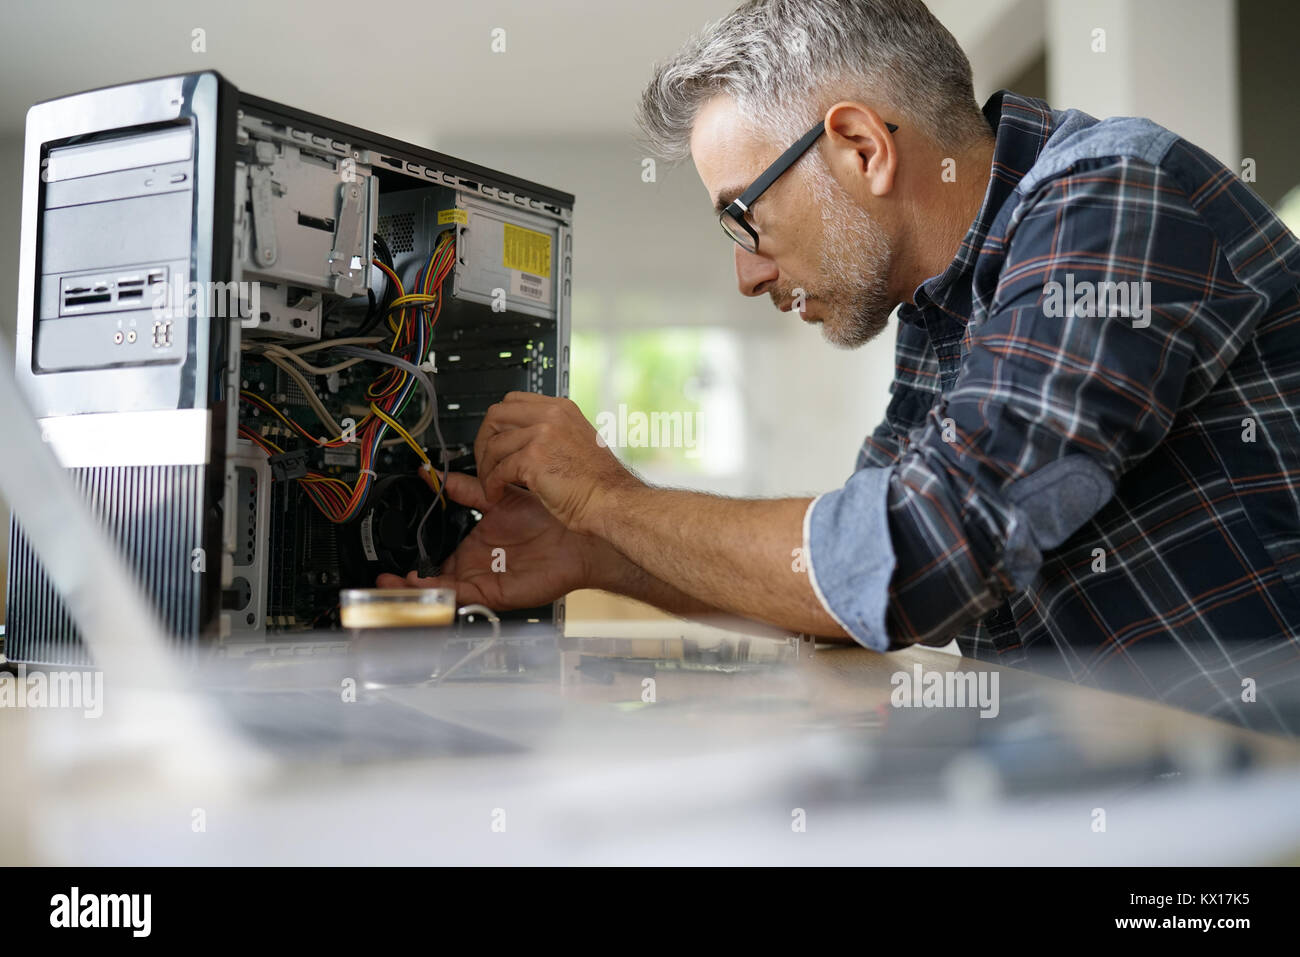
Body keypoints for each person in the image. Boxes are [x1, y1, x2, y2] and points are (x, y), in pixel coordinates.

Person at [382, 0, 1300, 733]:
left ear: (861, 147)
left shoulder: (1112, 198)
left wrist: (609, 498)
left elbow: (921, 555)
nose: (745, 273)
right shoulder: (945, 309)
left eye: (742, 216)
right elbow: (846, 591)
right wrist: (593, 550)